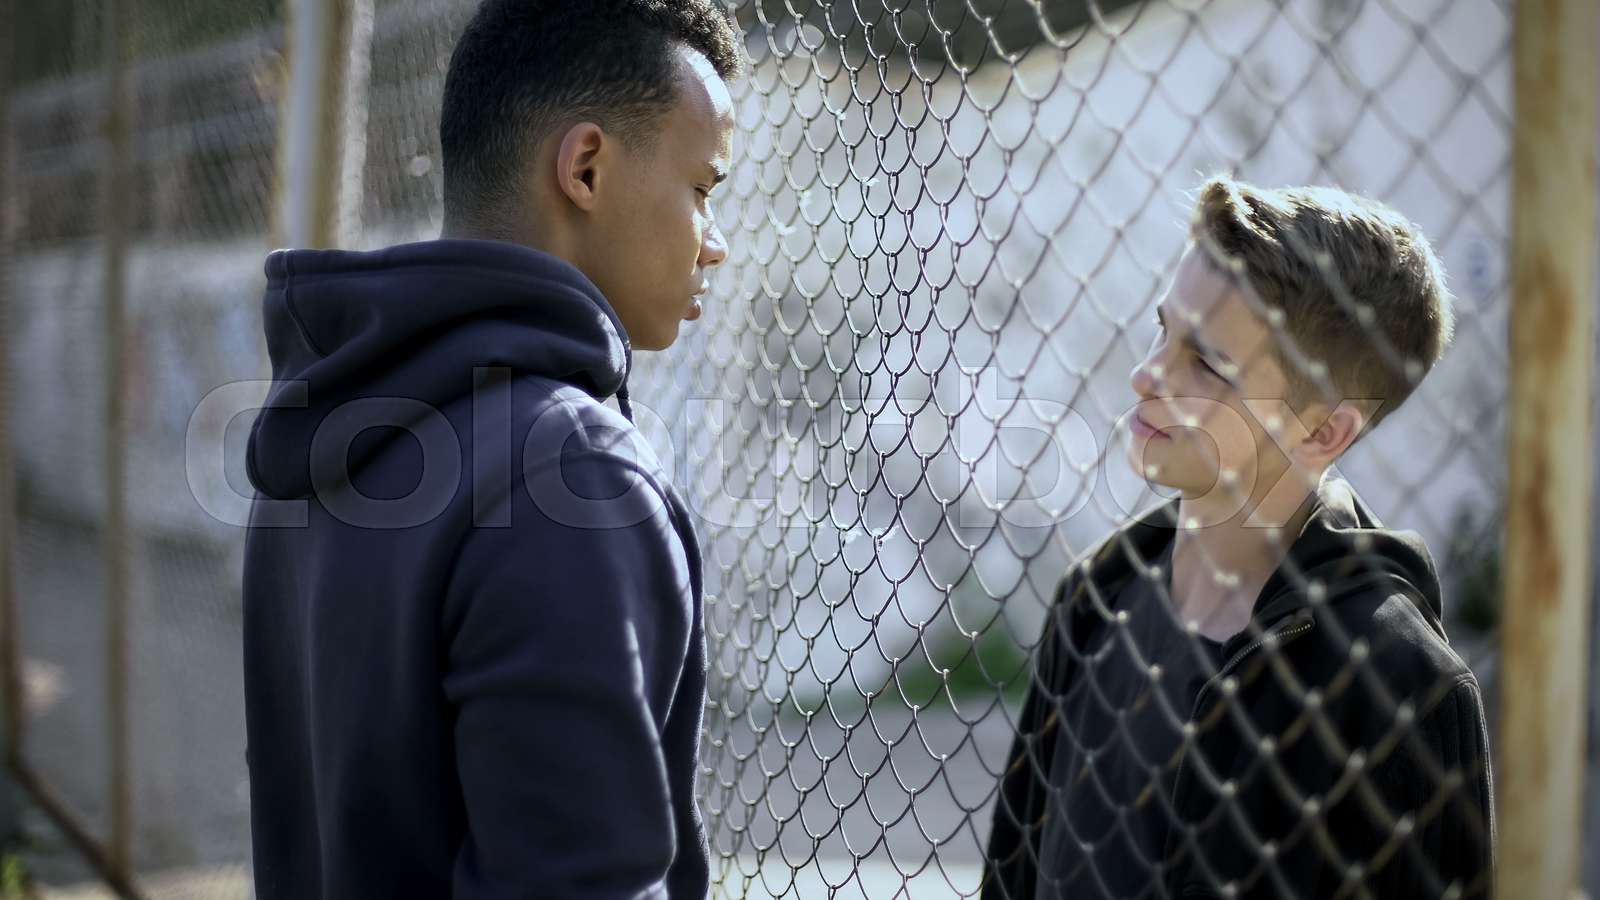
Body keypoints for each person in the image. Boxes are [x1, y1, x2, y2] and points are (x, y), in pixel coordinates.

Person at [241, 2, 741, 897]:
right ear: (585, 167)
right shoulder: (569, 475)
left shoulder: (335, 424)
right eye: (703, 190)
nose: (718, 242)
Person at [983, 177, 1494, 900]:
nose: (1145, 375)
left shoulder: (1403, 687)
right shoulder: (1097, 599)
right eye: (1164, 330)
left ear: (1323, 430)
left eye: (1209, 364)